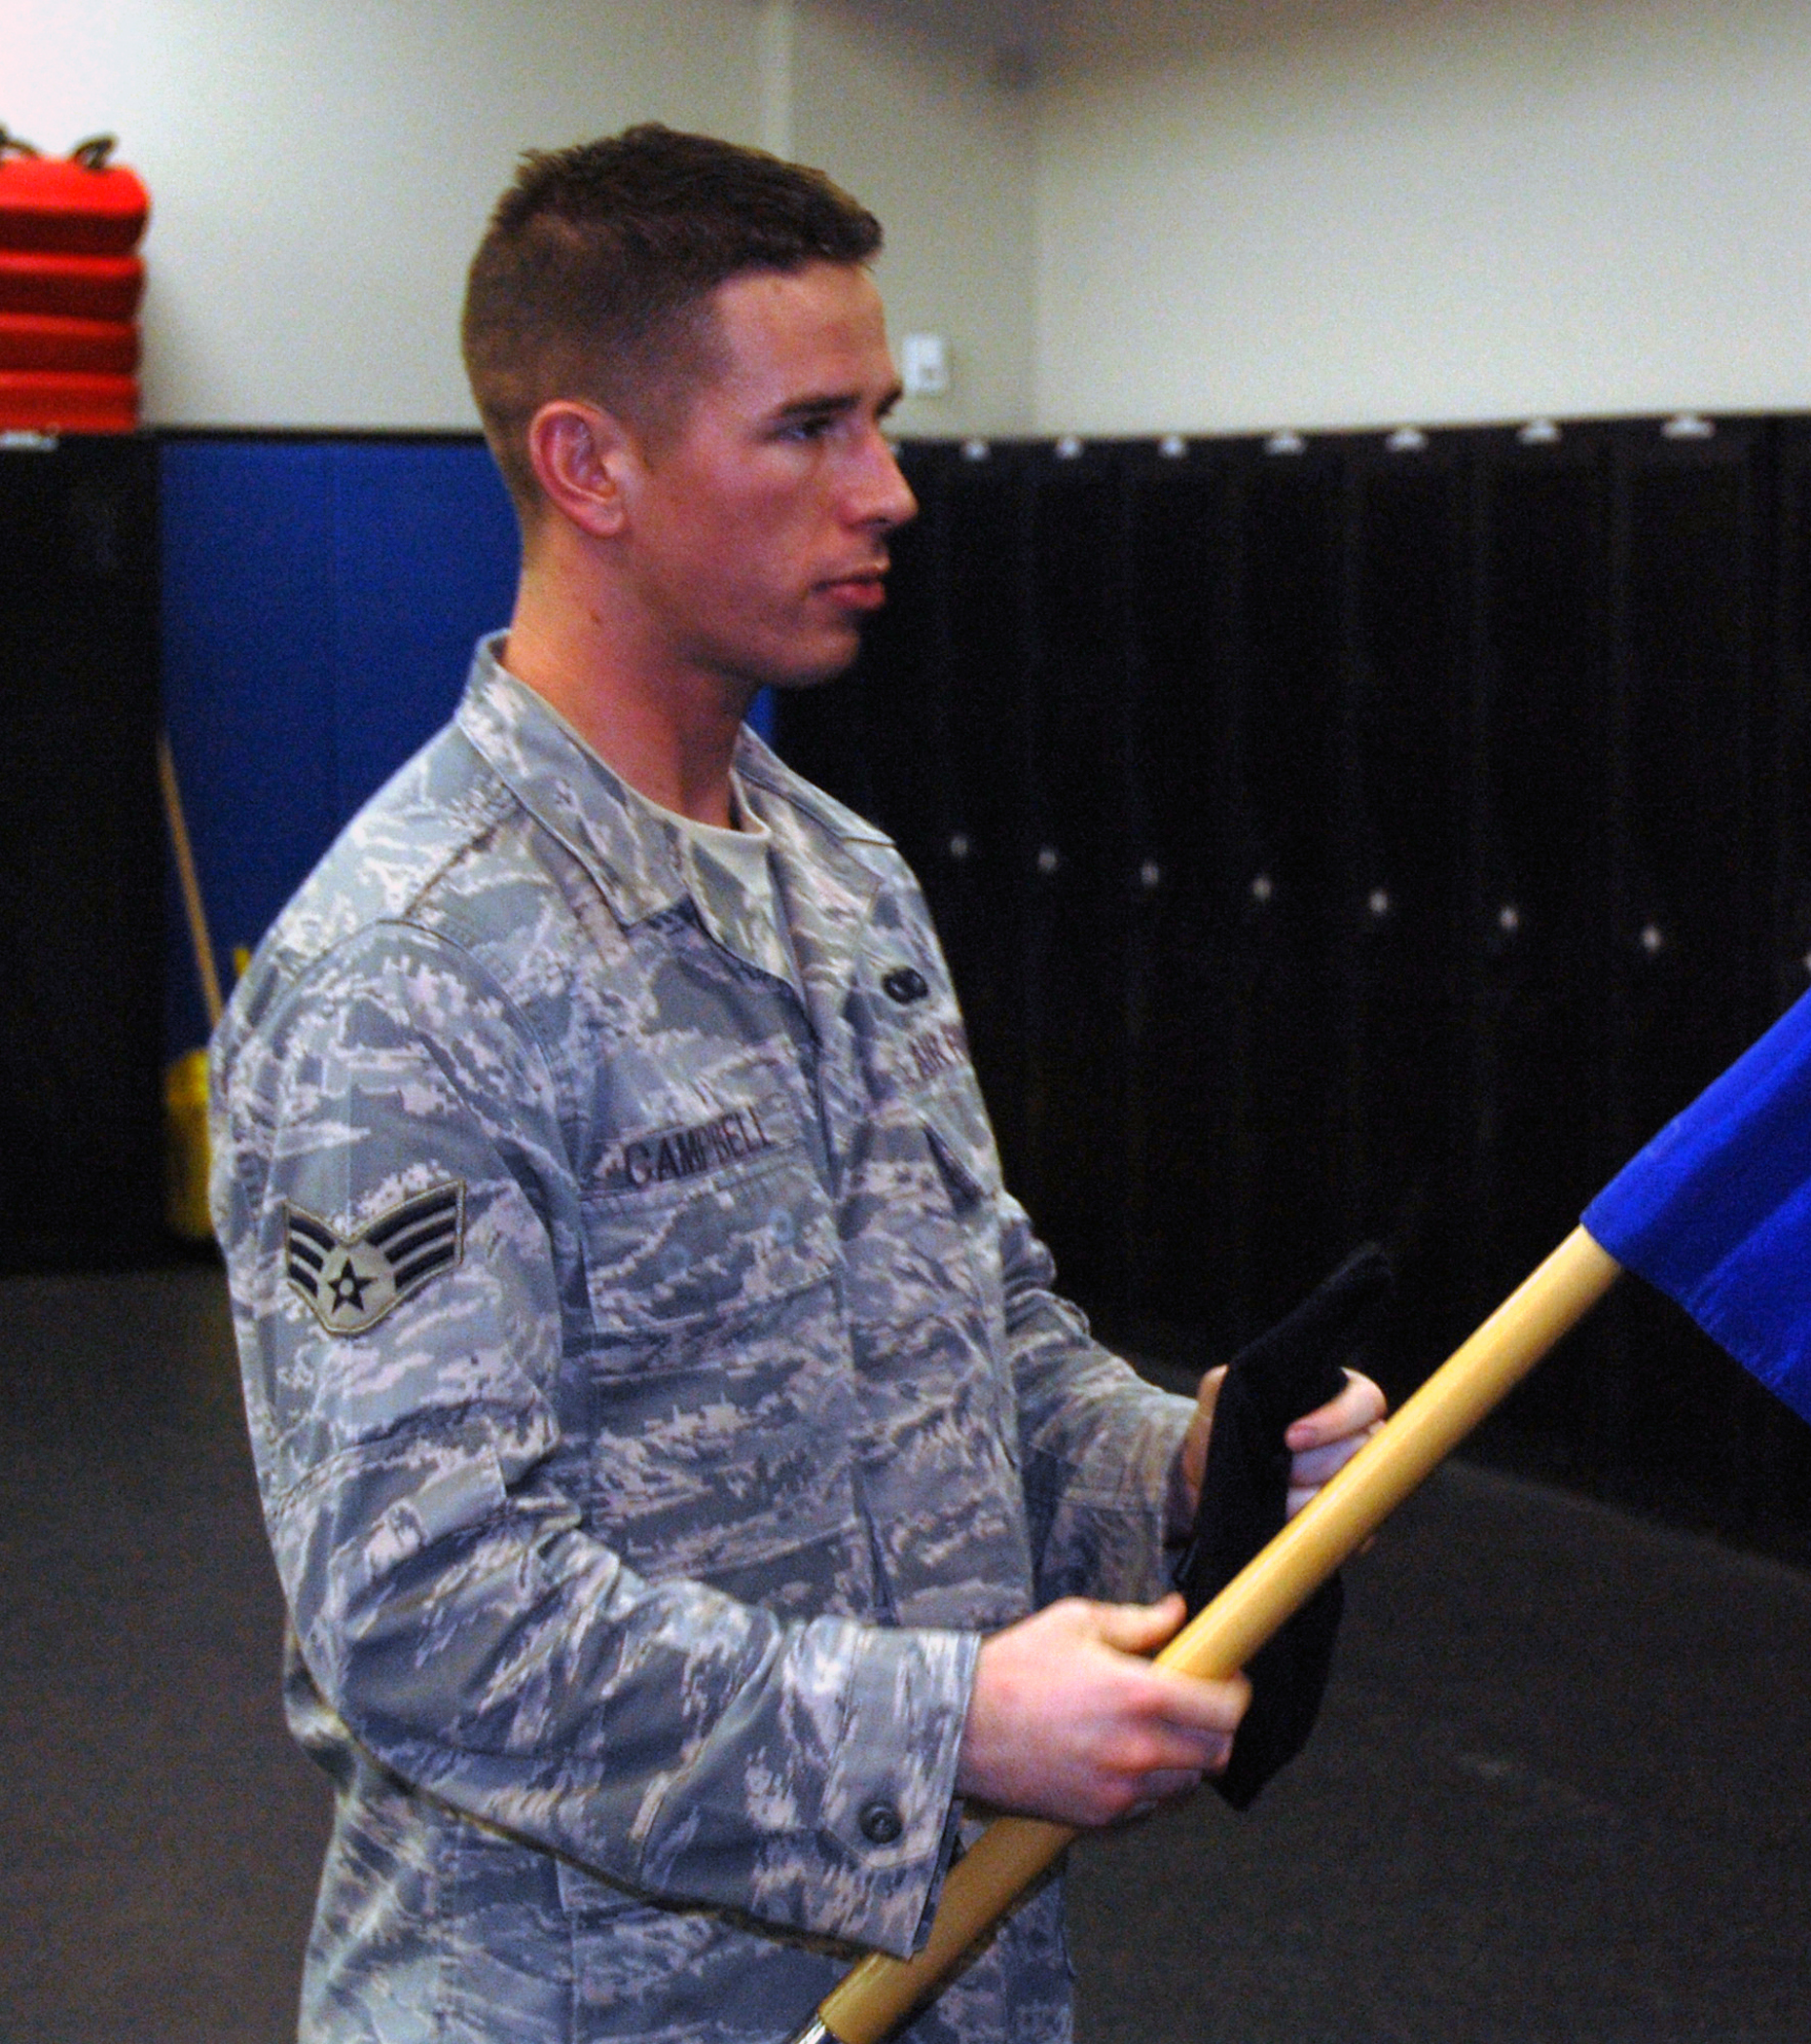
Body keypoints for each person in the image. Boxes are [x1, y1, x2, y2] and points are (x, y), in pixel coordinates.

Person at [210, 123, 1382, 2044]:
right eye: (812, 431)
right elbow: (427, 1614)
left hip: (951, 1967)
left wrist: (1178, 1459)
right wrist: (950, 1725)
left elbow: (975, 1331)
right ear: (591, 464)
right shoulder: (403, 979)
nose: (891, 489)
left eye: (882, 420)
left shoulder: (840, 881)